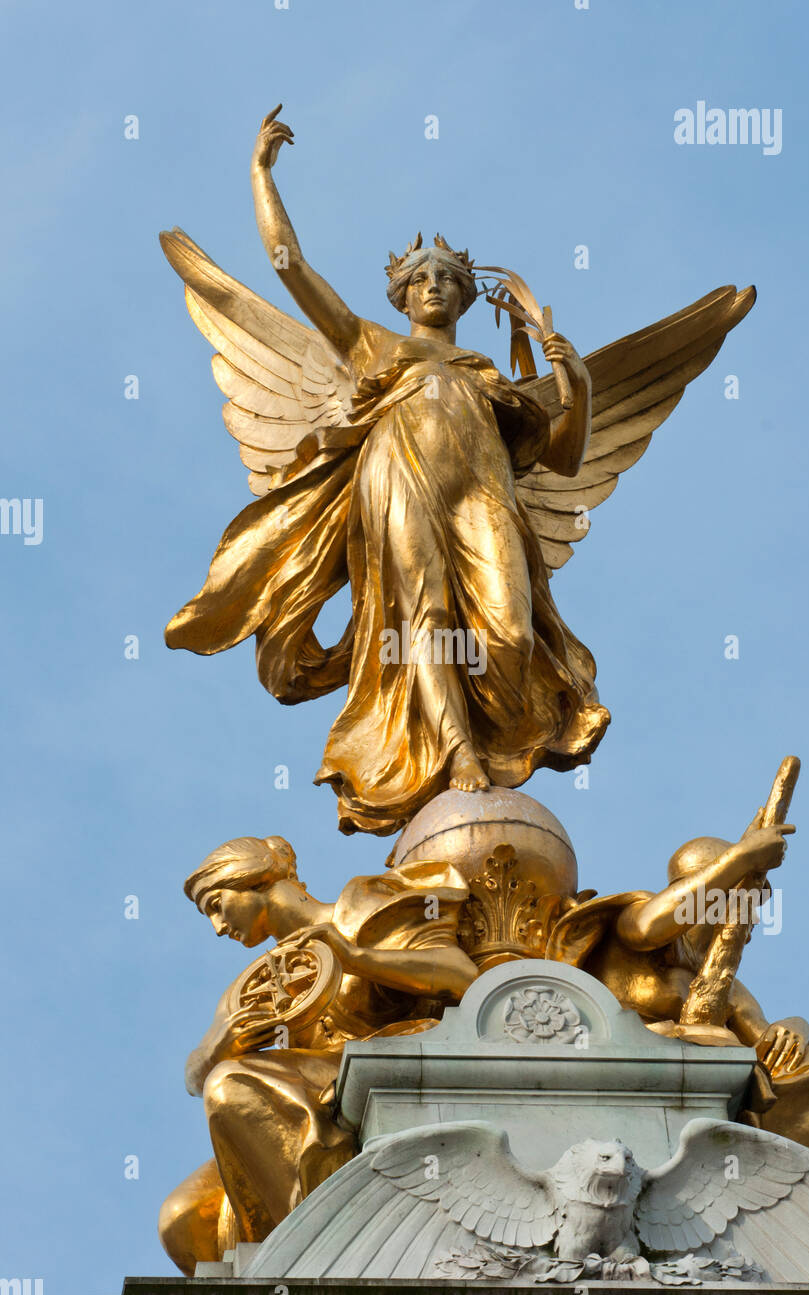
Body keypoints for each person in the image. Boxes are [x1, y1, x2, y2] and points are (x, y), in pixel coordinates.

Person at [165, 106, 609, 834]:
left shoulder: (486, 373)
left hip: (484, 490)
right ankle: (456, 749)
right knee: (422, 617)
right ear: (400, 295)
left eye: (446, 278)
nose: (432, 283)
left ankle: (499, 737)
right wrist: (260, 175)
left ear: (464, 298)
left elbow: (562, 460)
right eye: (418, 277)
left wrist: (580, 388)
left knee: (509, 633)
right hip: (398, 480)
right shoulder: (373, 348)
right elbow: (289, 267)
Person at [158, 834, 475, 1274]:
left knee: (229, 1085)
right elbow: (195, 1075)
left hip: (374, 1067)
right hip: (300, 1088)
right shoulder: (262, 982)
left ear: (252, 880)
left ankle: (322, 1252)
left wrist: (355, 956)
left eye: (216, 905)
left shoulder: (362, 905)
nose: (217, 927)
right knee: (184, 1218)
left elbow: (462, 977)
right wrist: (219, 1046)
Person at [573, 827, 809, 1180]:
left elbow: (764, 1044)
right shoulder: (633, 928)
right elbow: (650, 926)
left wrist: (798, 1026)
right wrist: (744, 857)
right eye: (746, 902)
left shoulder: (728, 986)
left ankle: (784, 1189)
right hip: (621, 1077)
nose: (754, 918)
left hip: (706, 1093)